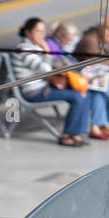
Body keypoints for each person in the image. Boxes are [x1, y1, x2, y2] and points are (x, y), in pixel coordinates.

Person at [10, 19, 89, 147]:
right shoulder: (24, 49)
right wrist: (47, 51)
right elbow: (46, 70)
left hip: (43, 86)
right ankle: (67, 135)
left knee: (84, 92)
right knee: (77, 97)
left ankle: (78, 133)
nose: (42, 34)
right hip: (34, 92)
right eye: (38, 31)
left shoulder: (34, 47)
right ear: (28, 33)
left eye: (43, 31)